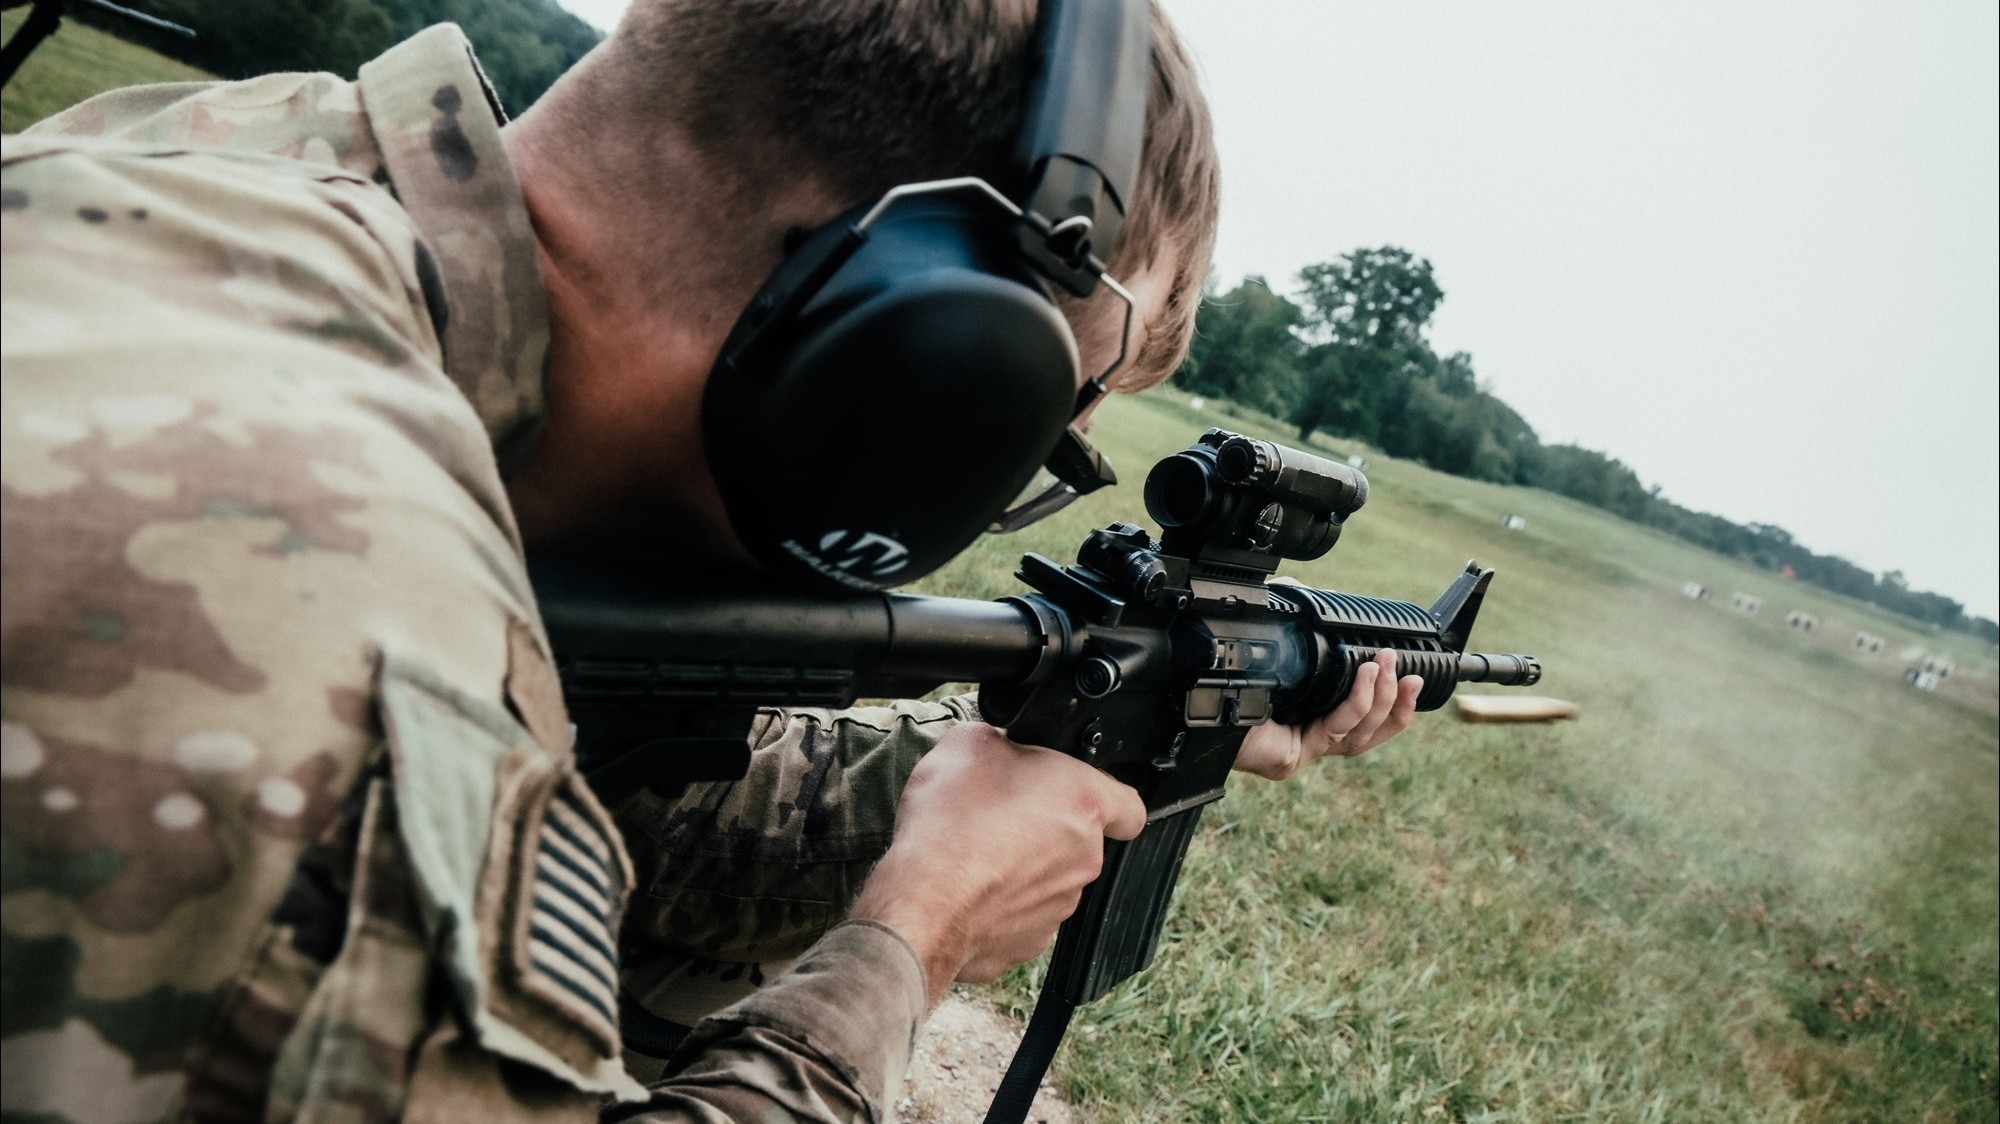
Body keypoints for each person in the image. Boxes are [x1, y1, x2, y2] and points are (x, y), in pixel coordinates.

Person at [0, 2, 1422, 1122]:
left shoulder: (236, 164)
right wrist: (907, 949)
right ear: (897, 359)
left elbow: (572, 782)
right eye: (1021, 437)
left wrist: (988, 772)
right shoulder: (324, 599)